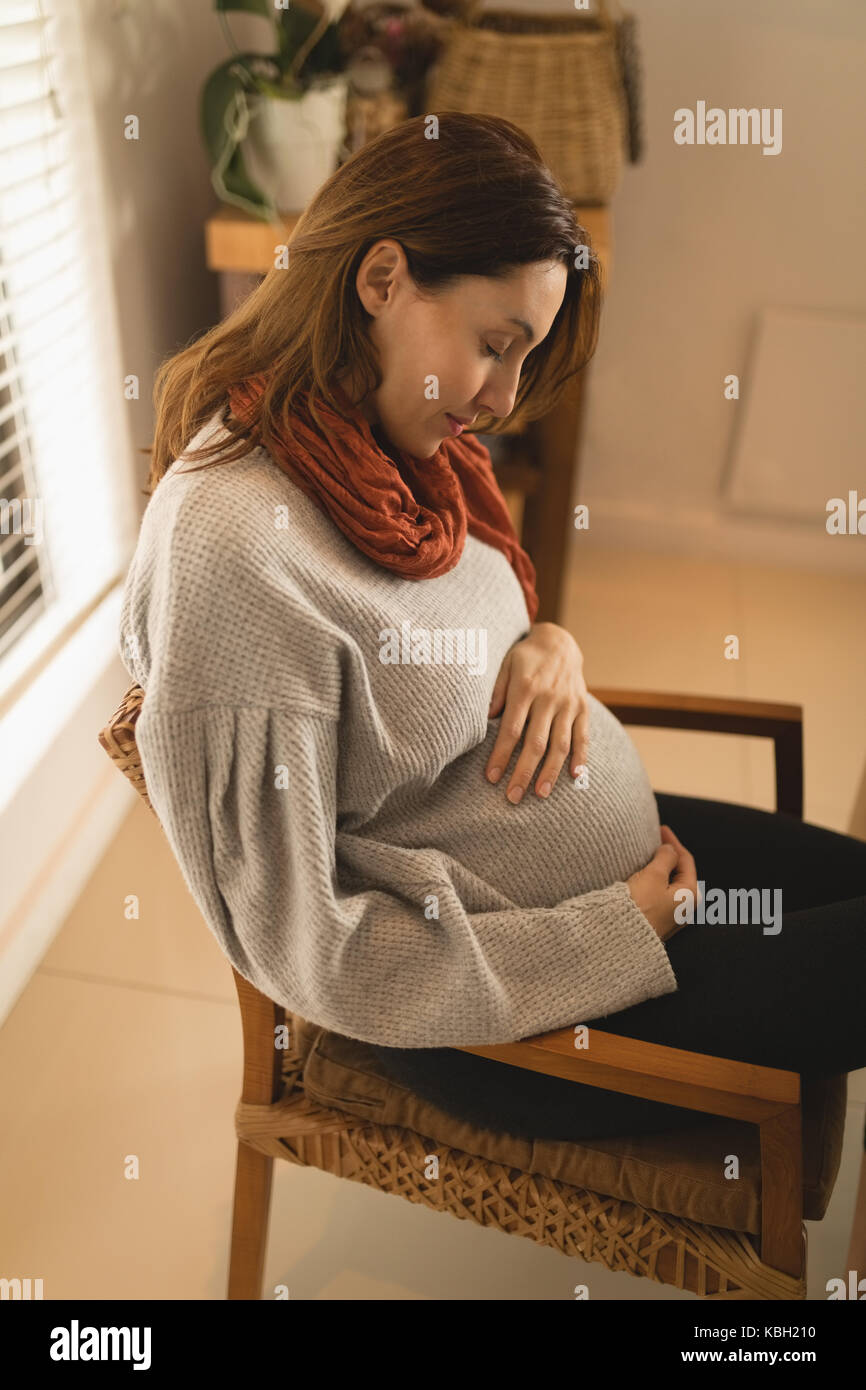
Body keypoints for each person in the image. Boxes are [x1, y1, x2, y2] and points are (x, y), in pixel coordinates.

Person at [123, 113, 866, 1178]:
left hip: (623, 893)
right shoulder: (237, 552)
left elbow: (473, 628)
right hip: (513, 1018)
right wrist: (612, 931)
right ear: (381, 278)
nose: (504, 401)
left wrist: (549, 643)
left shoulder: (398, 454)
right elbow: (311, 955)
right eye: (493, 344)